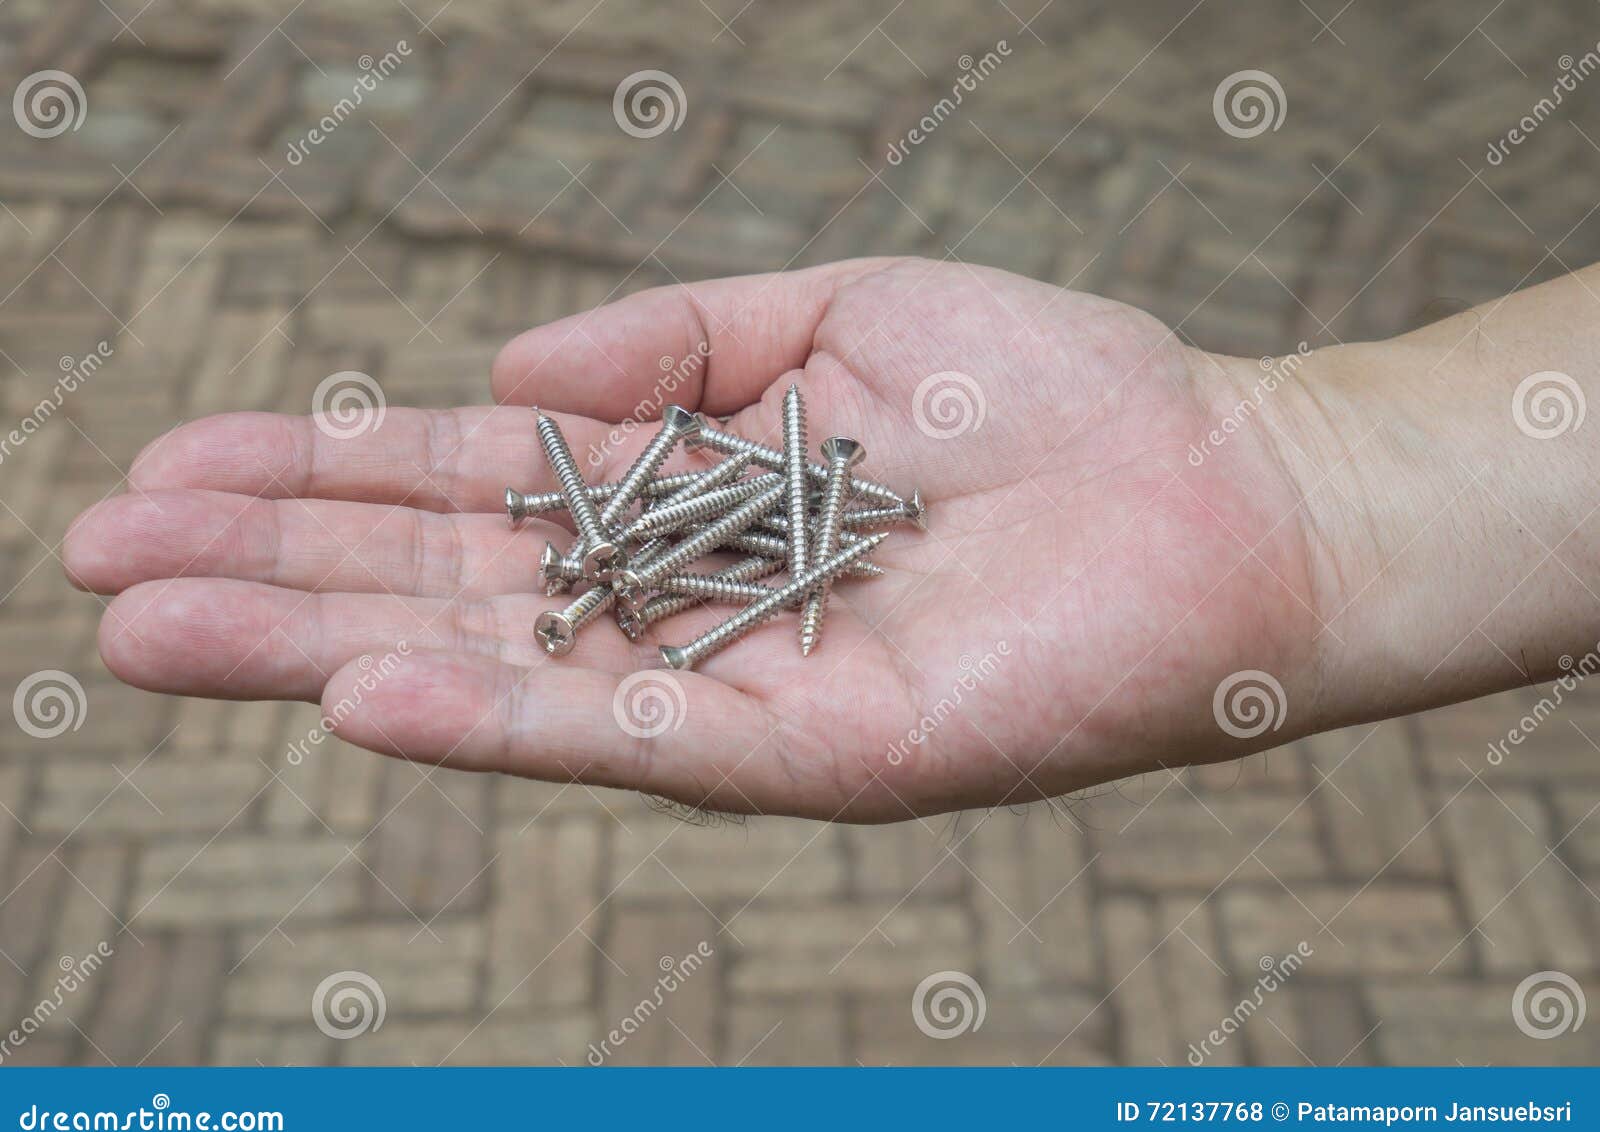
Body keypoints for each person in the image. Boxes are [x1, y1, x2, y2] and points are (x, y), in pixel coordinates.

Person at [60, 257, 1599, 821]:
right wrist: (1309, 478)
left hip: (727, 527)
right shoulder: (725, 514)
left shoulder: (763, 513)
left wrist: (1306, 484)